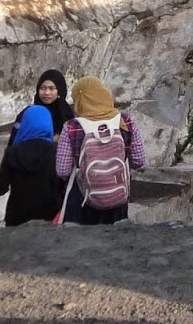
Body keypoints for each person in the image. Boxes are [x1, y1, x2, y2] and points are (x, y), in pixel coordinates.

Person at [54, 76, 146, 225]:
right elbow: (139, 161)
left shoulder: (71, 127)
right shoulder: (125, 121)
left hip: (83, 200)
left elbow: (63, 170)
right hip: (117, 195)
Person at [0, 104, 62, 226]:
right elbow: (59, 183)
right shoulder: (55, 150)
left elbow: (1, 189)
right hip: (49, 215)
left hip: (17, 216)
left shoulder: (12, 152)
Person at [7, 69, 74, 146]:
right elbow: (14, 140)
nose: (46, 93)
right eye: (42, 88)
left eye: (51, 88)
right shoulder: (30, 113)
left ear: (60, 90)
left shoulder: (66, 114)